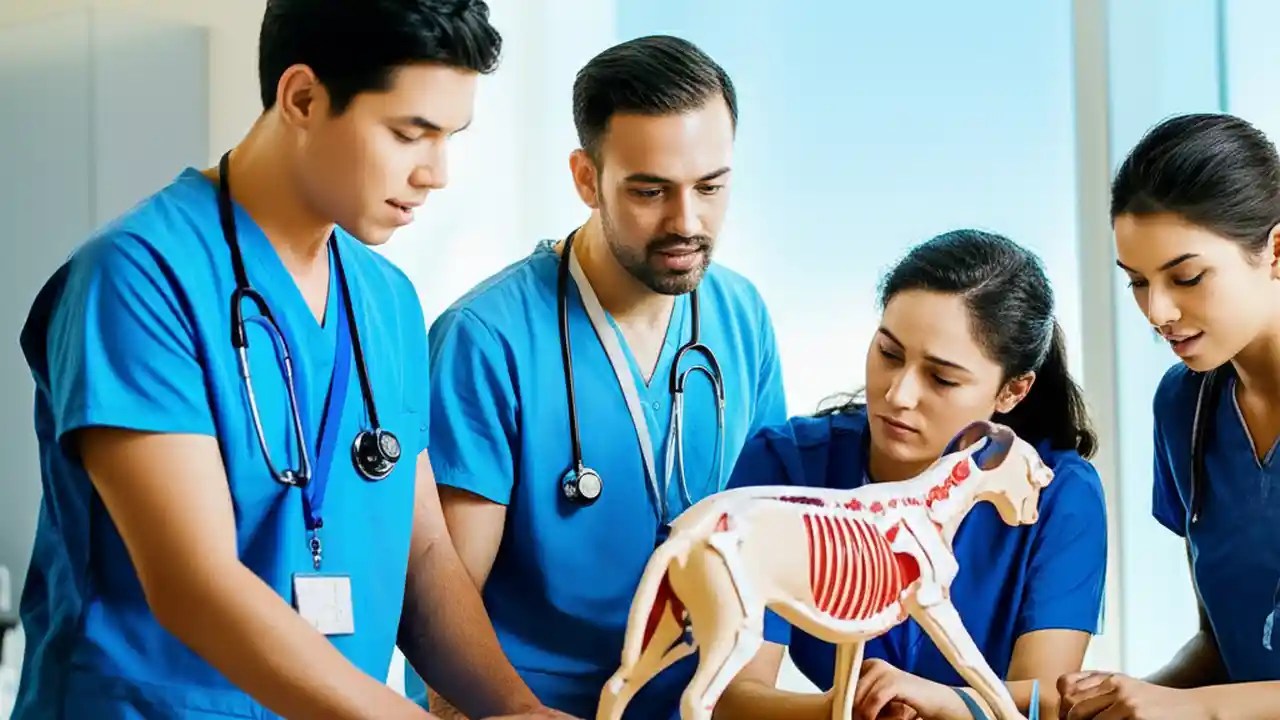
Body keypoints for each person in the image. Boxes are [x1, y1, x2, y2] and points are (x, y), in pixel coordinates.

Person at [11, 2, 573, 718]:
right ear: (302, 97)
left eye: (449, 137)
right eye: (411, 133)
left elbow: (424, 556)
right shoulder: (137, 278)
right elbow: (195, 584)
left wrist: (513, 710)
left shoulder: (386, 300)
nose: (437, 173)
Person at [412, 34, 787, 719]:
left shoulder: (742, 318)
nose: (687, 222)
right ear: (587, 178)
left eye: (711, 188)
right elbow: (443, 602)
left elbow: (767, 539)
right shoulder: (487, 339)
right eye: (650, 192)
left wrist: (748, 697)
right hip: (527, 706)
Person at [713, 230, 1108, 720]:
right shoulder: (785, 467)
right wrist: (844, 712)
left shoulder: (1057, 494)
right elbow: (730, 696)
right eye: (889, 354)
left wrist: (944, 704)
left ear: (1013, 391)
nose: (898, 395)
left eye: (941, 378)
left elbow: (1044, 704)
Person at [1058, 113, 1280, 719]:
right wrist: (1124, 700)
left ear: (1276, 252)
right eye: (1136, 282)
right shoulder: (1185, 407)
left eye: (1186, 277)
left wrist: (1193, 711)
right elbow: (1222, 646)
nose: (1158, 311)